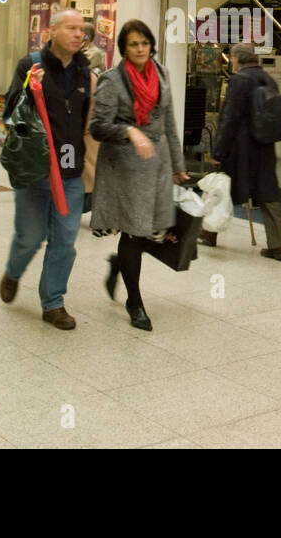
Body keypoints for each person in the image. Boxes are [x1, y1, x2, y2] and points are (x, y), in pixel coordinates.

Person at [92, 20, 189, 332]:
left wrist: (178, 164)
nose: (139, 49)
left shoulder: (161, 74)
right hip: (126, 168)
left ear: (151, 45)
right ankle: (134, 301)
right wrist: (130, 131)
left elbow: (169, 122)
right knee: (135, 231)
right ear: (124, 48)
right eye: (133, 44)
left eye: (144, 43)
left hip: (157, 163)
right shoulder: (111, 81)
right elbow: (97, 127)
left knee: (153, 229)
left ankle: (118, 264)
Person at [0, 7, 92, 330]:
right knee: (31, 236)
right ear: (52, 32)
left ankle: (53, 302)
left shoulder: (84, 70)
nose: (79, 34)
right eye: (72, 28)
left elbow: (85, 119)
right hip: (35, 167)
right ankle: (13, 271)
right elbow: (9, 113)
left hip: (69, 168)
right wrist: (27, 87)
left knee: (65, 240)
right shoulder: (31, 64)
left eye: (82, 29)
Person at [212, 42, 281, 260]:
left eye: (232, 57)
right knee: (268, 193)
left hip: (241, 149)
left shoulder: (239, 81)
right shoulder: (268, 78)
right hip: (264, 147)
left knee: (220, 186)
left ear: (239, 58)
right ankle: (278, 245)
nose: (231, 61)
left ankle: (208, 231)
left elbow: (230, 119)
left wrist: (218, 152)